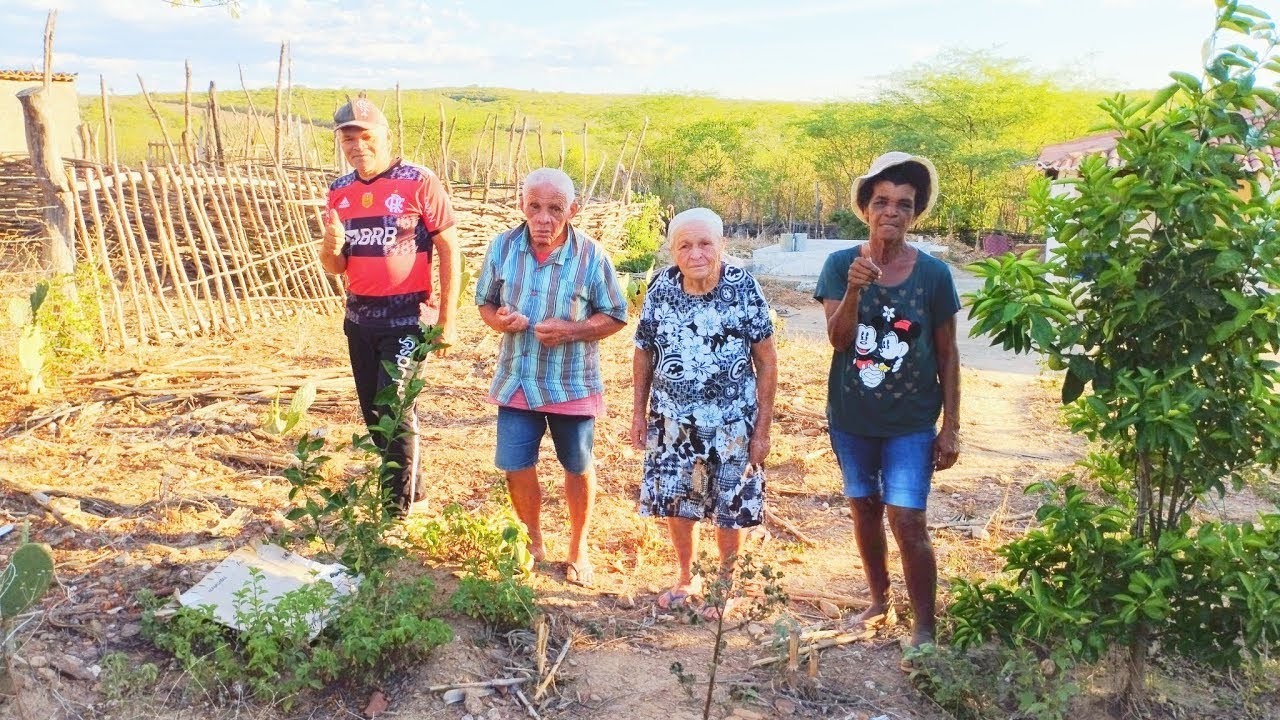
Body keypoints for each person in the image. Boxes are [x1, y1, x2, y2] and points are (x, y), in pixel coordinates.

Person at [813, 152, 961, 650]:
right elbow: (839, 341)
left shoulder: (934, 275)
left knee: (908, 519)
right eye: (881, 202)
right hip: (851, 417)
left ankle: (925, 627)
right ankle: (879, 600)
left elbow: (948, 354)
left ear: (915, 214)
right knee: (864, 508)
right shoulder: (840, 266)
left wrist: (951, 427)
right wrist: (855, 289)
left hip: (912, 421)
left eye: (904, 204)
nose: (891, 212)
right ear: (865, 208)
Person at [474, 167, 628, 587]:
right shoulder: (503, 247)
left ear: (573, 210)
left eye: (555, 209)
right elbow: (485, 302)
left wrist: (571, 330)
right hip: (518, 378)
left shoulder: (591, 256)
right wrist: (499, 321)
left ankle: (578, 547)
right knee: (514, 464)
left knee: (578, 465)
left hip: (570, 382)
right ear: (521, 205)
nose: (543, 218)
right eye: (535, 207)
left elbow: (616, 315)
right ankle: (533, 541)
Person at [631, 208, 777, 619]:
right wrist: (639, 413)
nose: (695, 253)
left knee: (731, 504)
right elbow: (643, 352)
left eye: (704, 244)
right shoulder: (661, 287)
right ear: (672, 250)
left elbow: (766, 360)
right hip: (673, 420)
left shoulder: (742, 286)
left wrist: (762, 430)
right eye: (685, 245)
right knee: (678, 502)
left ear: (722, 245)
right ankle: (685, 577)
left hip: (733, 421)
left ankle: (724, 586)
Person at [318, 93, 461, 514]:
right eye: (348, 139)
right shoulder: (339, 191)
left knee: (393, 407)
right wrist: (329, 247)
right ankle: (416, 495)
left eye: (366, 136)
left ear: (384, 135)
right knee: (373, 414)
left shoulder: (419, 181)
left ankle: (394, 514)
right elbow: (336, 266)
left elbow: (450, 249)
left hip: (409, 317)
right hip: (359, 318)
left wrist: (448, 321)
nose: (357, 146)